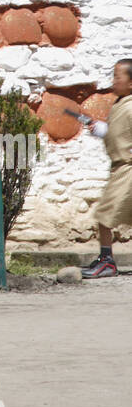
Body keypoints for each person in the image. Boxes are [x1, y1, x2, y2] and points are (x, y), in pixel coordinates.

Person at [81, 59, 132, 279]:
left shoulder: (130, 106)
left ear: (130, 83)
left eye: (117, 77)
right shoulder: (121, 103)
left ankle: (107, 261)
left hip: (126, 170)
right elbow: (119, 134)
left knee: (104, 215)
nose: (113, 81)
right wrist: (101, 129)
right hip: (120, 167)